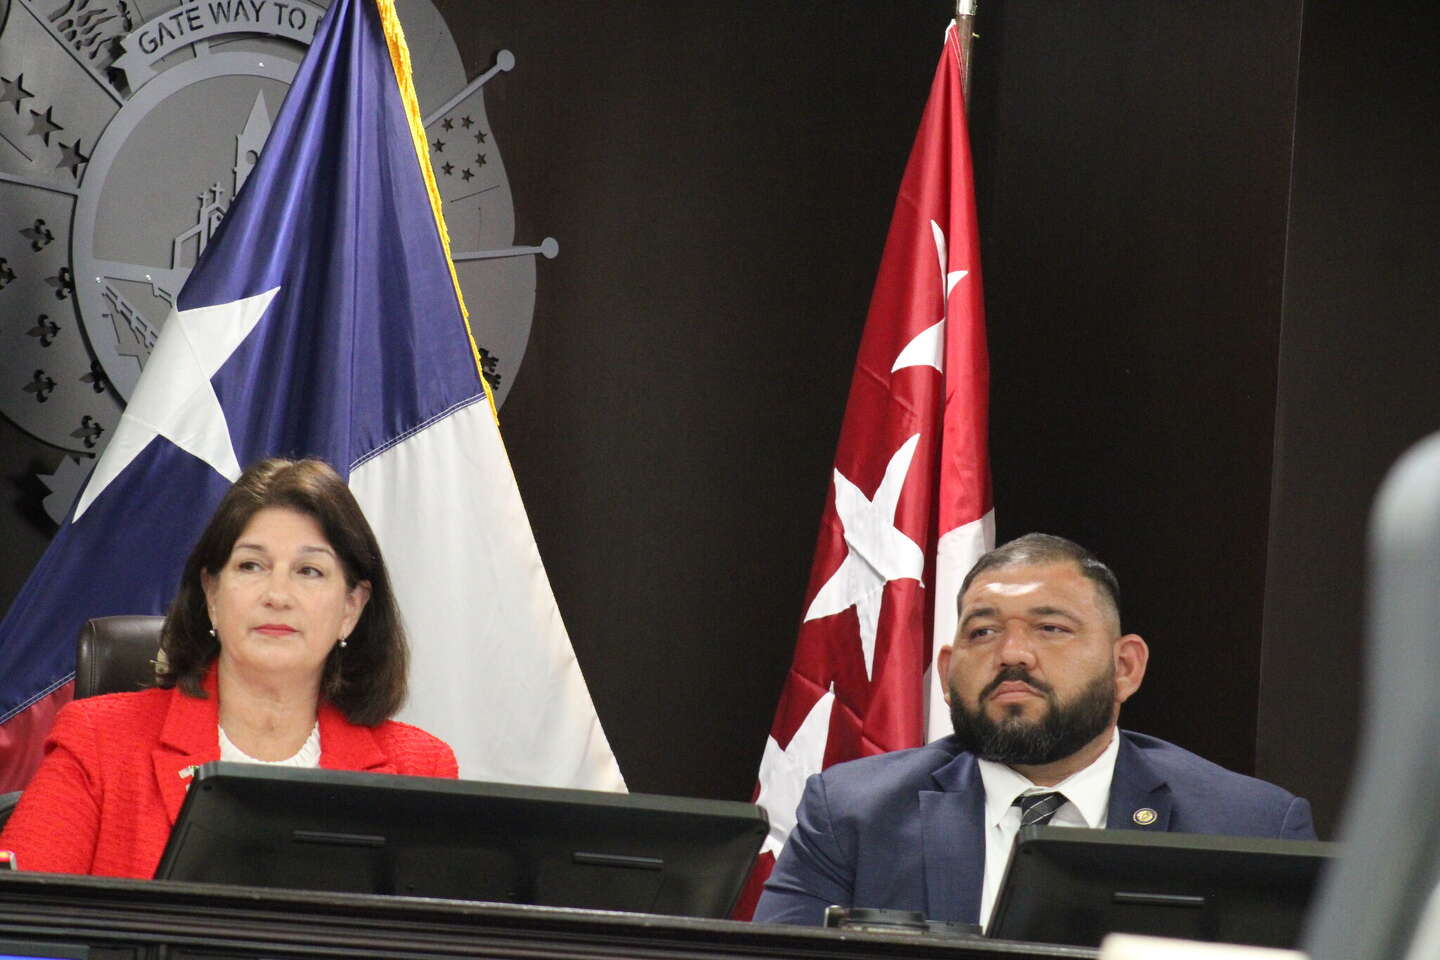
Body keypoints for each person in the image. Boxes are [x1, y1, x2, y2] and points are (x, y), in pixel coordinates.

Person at [753, 533, 1315, 928]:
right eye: (983, 632)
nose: (1013, 654)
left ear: (1125, 668)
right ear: (946, 674)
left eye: (1050, 627)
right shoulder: (853, 814)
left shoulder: (1250, 829)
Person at [0, 458, 457, 878]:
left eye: (309, 571)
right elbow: (23, 921)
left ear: (351, 607)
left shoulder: (419, 770)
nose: (277, 595)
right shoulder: (98, 743)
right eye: (251, 565)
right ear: (212, 594)